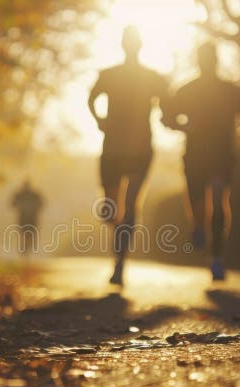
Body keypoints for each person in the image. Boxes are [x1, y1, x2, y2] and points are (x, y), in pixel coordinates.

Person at [161, 42, 240, 281]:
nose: (208, 63)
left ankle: (217, 257)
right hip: (195, 155)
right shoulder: (187, 90)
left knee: (220, 199)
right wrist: (183, 125)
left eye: (210, 59)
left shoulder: (231, 90)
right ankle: (198, 226)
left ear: (215, 61)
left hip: (222, 154)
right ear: (200, 62)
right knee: (198, 202)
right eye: (204, 59)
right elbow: (167, 117)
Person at [88, 26, 169, 286]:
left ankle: (119, 262)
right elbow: (91, 99)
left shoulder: (152, 77)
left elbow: (166, 106)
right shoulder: (109, 75)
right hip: (114, 147)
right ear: (126, 46)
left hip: (139, 148)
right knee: (112, 210)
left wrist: (173, 118)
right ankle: (119, 252)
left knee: (130, 204)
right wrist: (99, 119)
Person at [11, 179, 44, 256]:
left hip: (32, 218)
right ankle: (24, 250)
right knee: (24, 234)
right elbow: (13, 204)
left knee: (30, 235)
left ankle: (26, 250)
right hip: (23, 218)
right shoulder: (19, 194)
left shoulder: (35, 194)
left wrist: (36, 209)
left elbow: (41, 204)